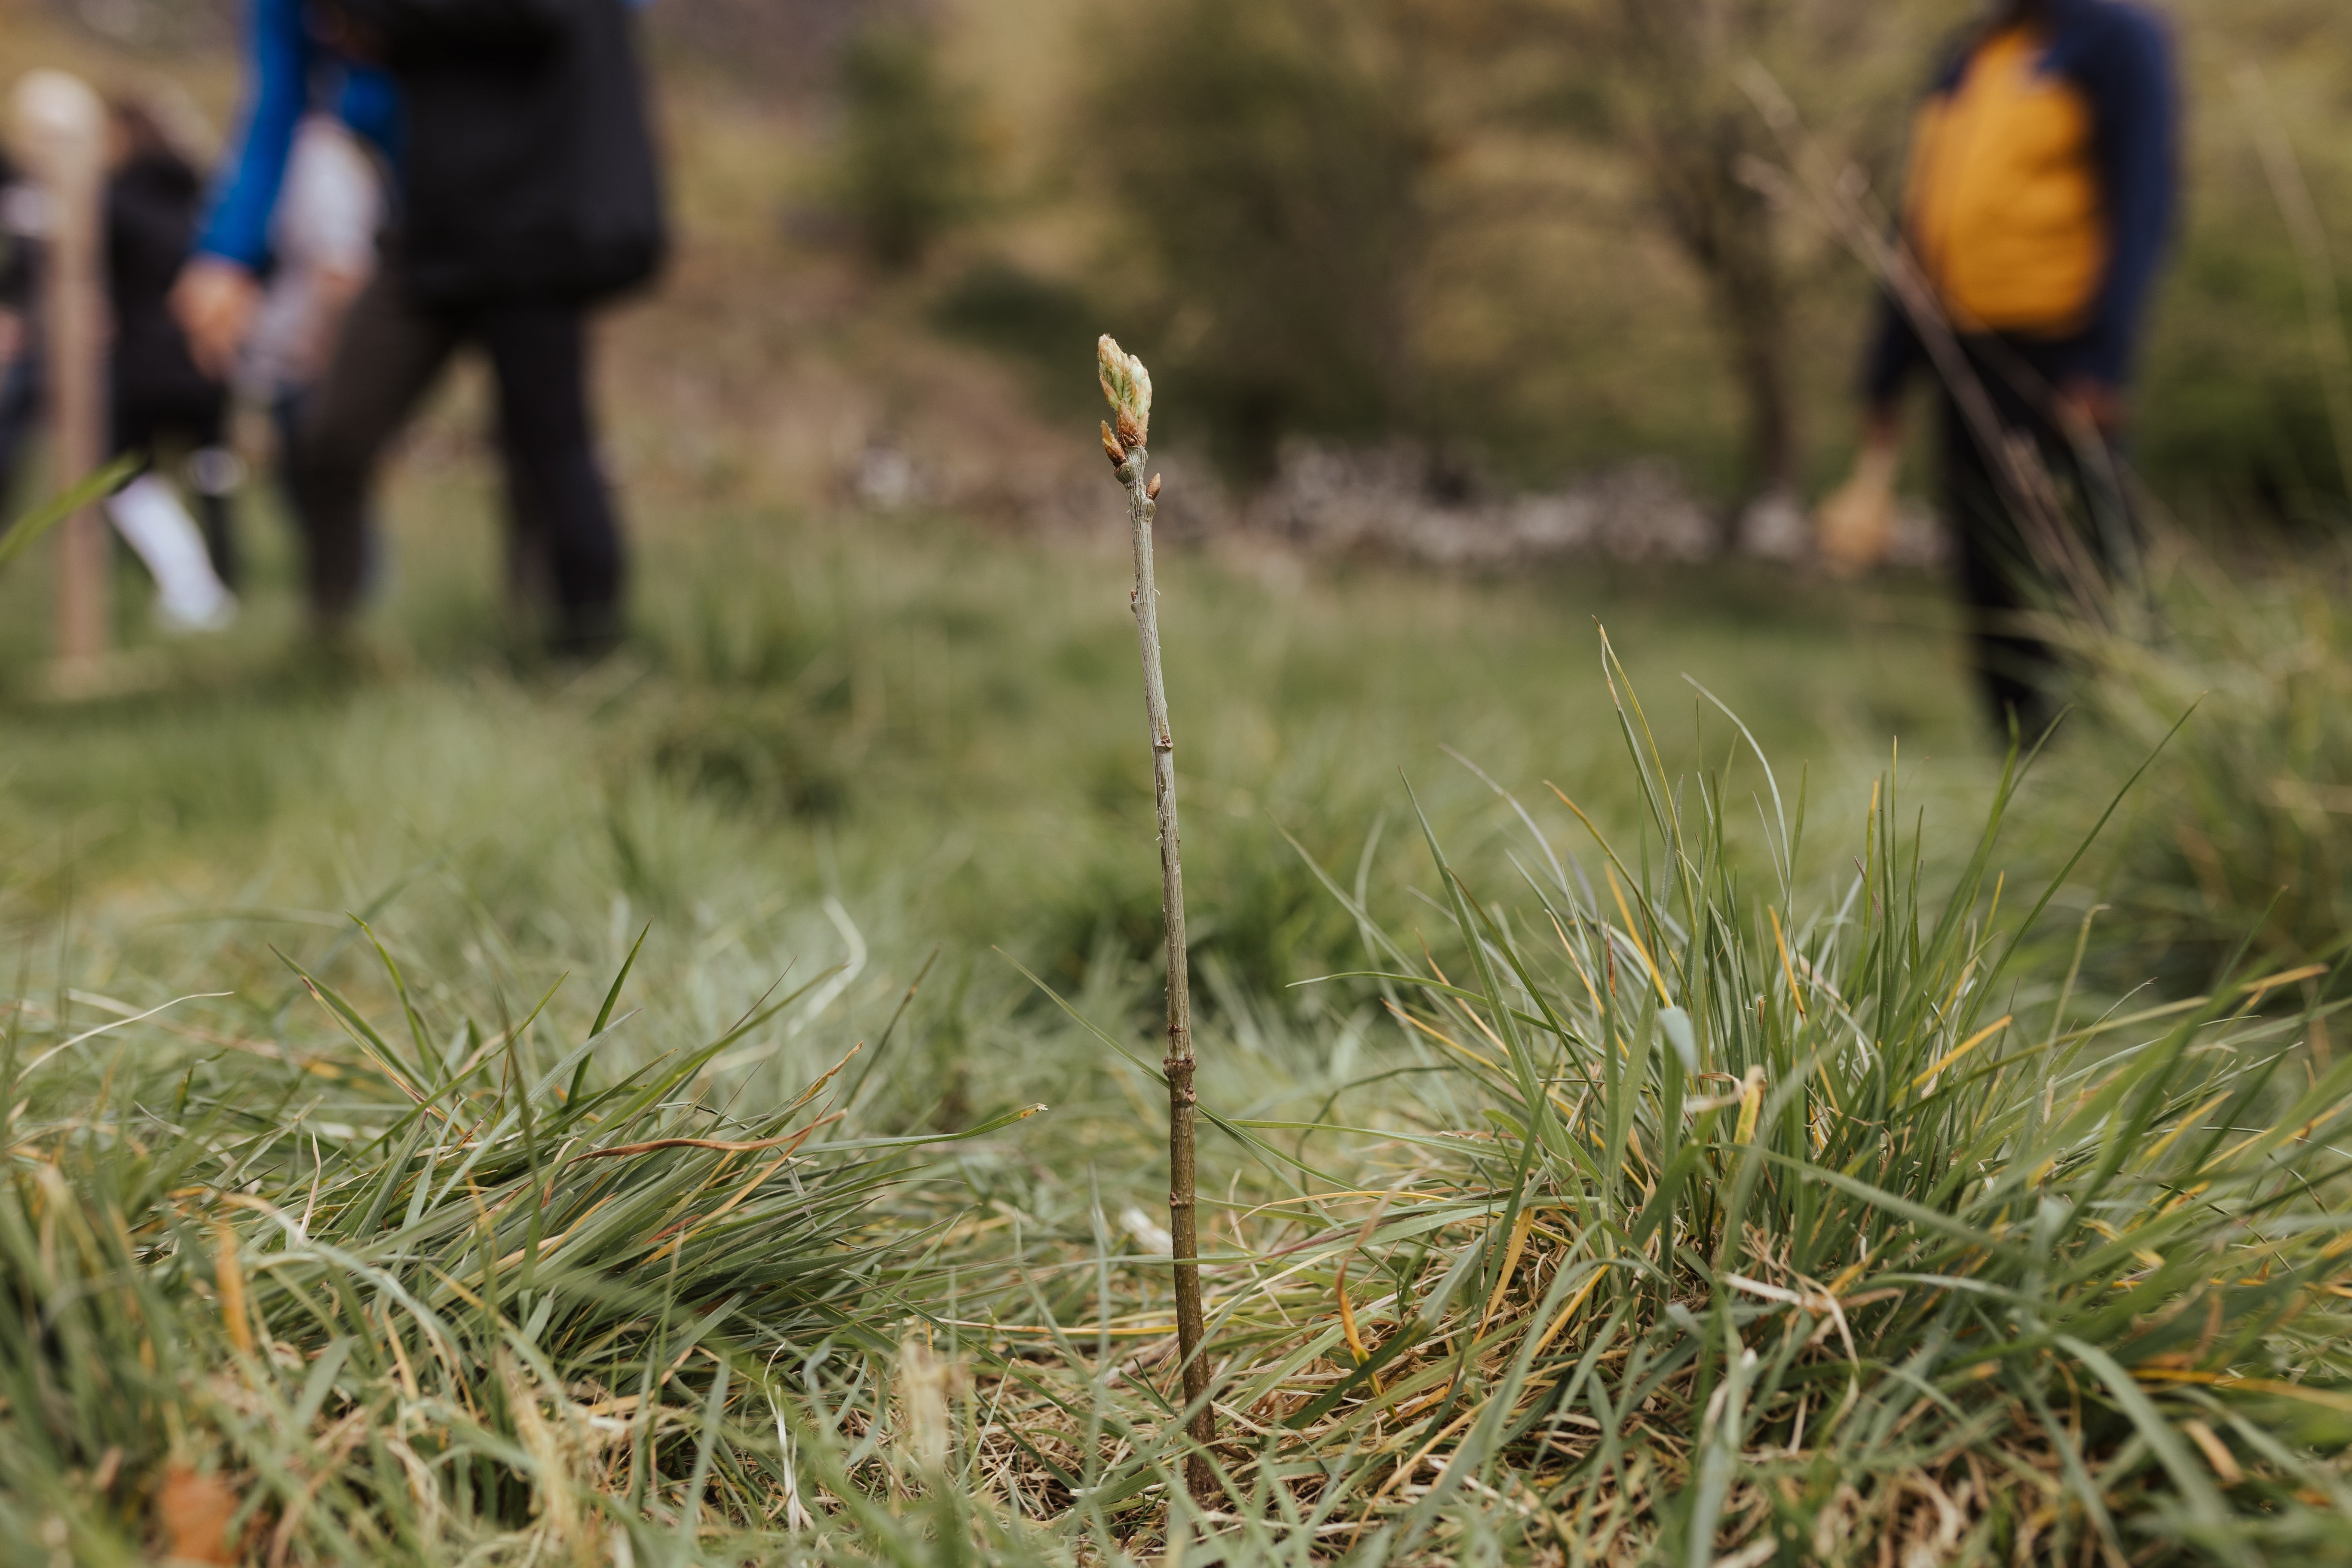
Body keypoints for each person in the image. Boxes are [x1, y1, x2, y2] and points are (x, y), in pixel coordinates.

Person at [176, 0, 664, 654]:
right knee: (332, 436)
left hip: (531, 229)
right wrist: (226, 253)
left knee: (544, 446)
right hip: (426, 233)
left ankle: (568, 648)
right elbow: (280, 107)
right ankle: (334, 642)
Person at [1838, 0, 2177, 736]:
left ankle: (2142, 739)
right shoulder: (1973, 54)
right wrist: (1886, 373)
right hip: (1960, 350)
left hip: (2057, 356)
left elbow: (2143, 201)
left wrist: (2103, 363)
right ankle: (2022, 752)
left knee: (2088, 558)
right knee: (1984, 562)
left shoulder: (2117, 38)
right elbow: (1922, 218)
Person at [102, 98, 241, 629]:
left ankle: (191, 586)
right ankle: (227, 581)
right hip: (211, 362)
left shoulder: (114, 202)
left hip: (144, 362)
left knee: (121, 478)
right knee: (213, 476)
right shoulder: (210, 198)